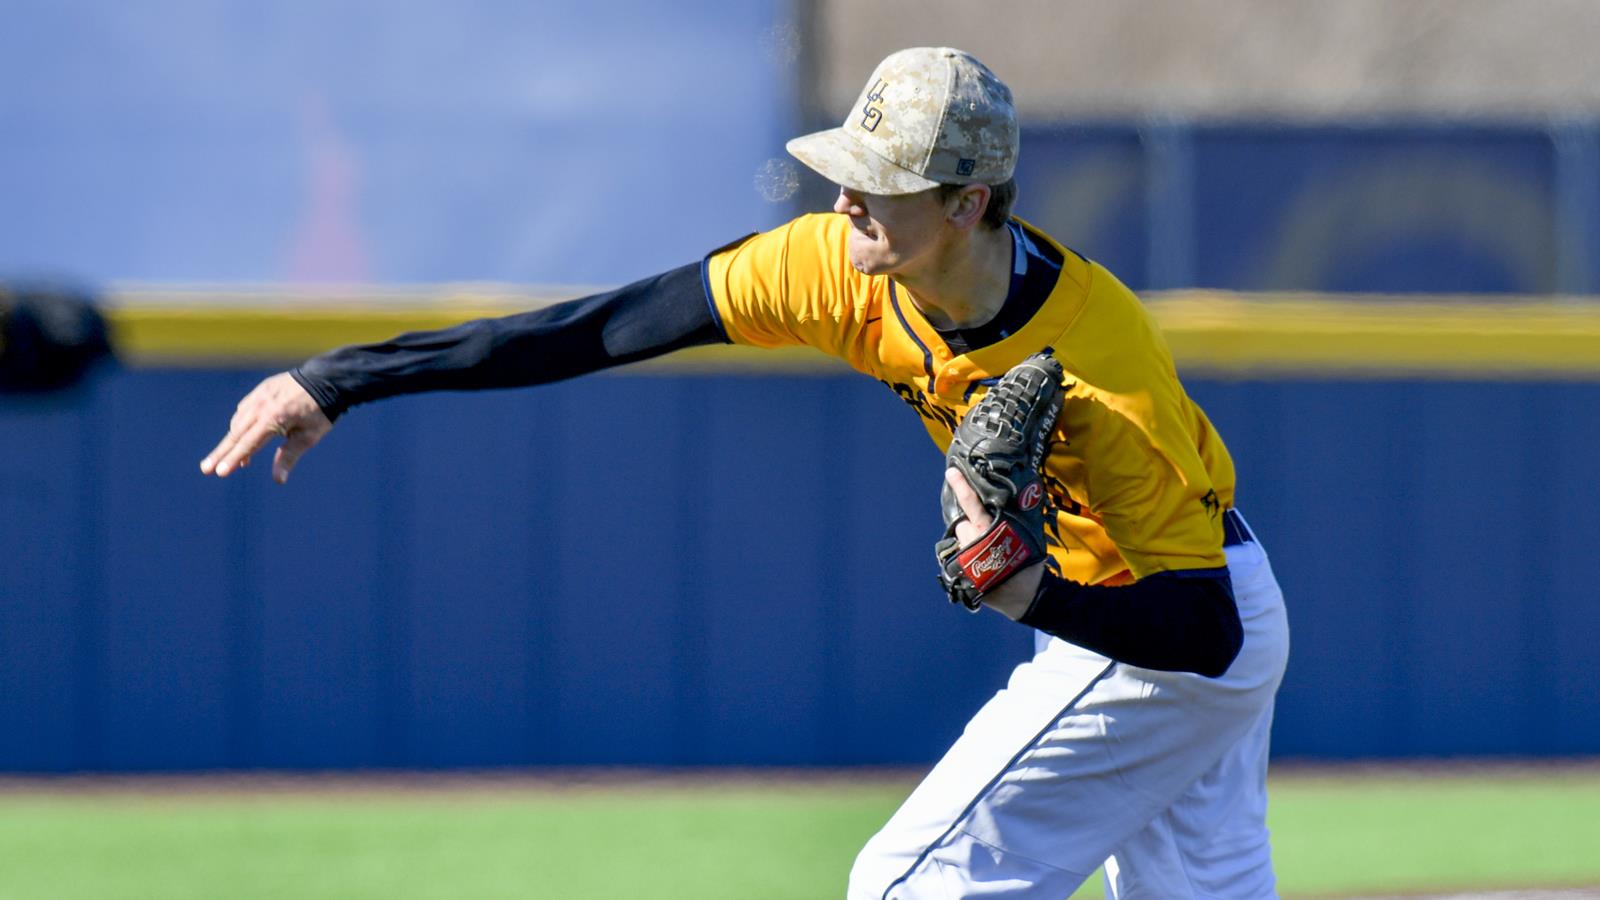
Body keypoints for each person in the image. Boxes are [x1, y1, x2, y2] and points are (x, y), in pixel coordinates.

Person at [201, 47, 1289, 899]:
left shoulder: (1105, 374)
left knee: (911, 885)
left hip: (1161, 622)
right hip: (1160, 603)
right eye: (845, 171)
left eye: (881, 182)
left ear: (968, 201)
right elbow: (601, 328)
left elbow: (1205, 634)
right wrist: (344, 378)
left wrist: (1030, 595)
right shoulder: (832, 265)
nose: (846, 199)